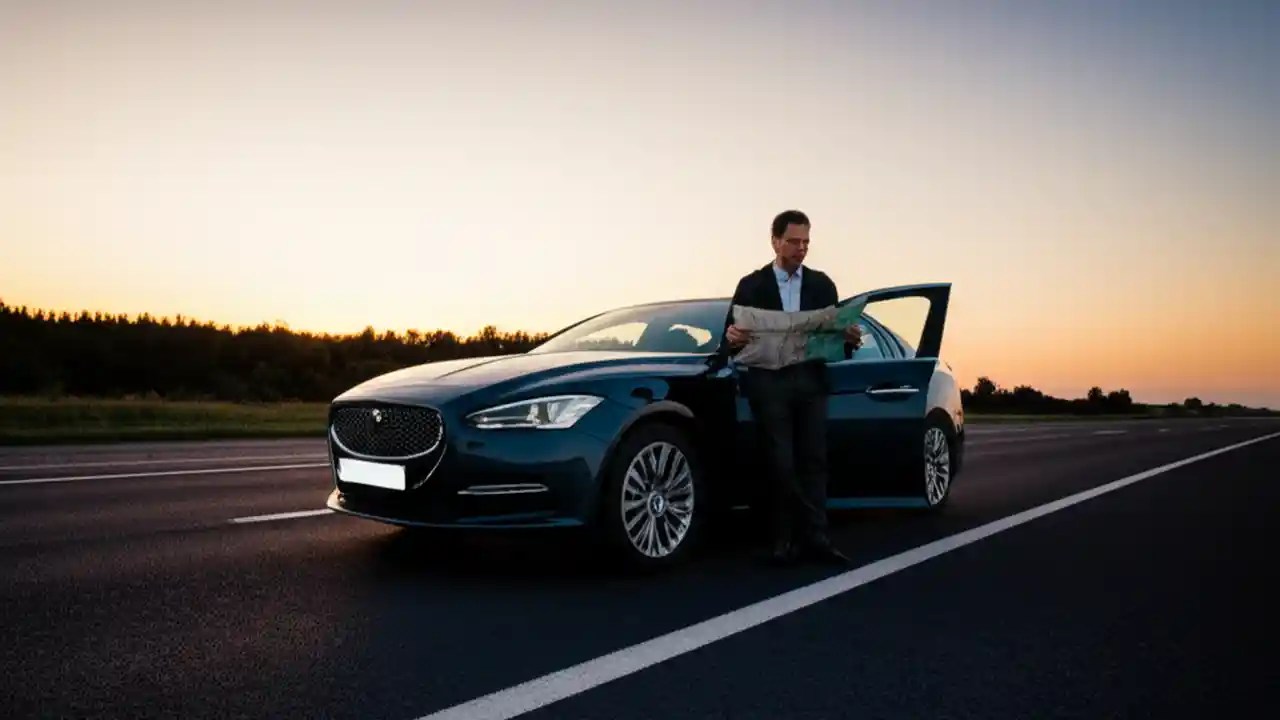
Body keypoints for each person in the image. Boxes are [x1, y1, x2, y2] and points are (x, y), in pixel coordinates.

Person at [718, 209, 861, 565]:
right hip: (769, 382)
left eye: (806, 242)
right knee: (779, 461)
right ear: (775, 241)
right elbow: (730, 338)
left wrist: (848, 337)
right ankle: (781, 540)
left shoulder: (823, 284)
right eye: (794, 241)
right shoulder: (751, 285)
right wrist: (732, 336)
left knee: (814, 460)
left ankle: (817, 538)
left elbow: (836, 338)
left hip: (811, 380)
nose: (801, 249)